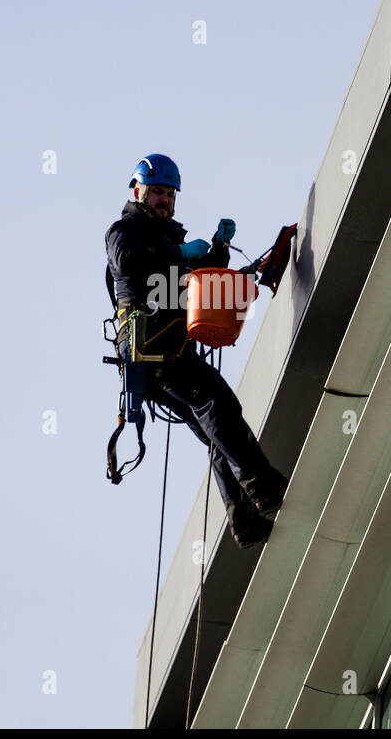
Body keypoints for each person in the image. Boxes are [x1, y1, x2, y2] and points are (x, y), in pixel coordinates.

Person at [104, 153, 289, 548]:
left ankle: (246, 519)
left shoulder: (167, 239)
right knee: (216, 406)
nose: (164, 200)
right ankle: (263, 488)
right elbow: (128, 261)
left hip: (168, 348)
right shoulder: (125, 231)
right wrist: (181, 253)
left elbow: (196, 278)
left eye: (170, 193)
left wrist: (218, 250)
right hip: (152, 344)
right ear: (137, 192)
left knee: (214, 430)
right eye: (156, 192)